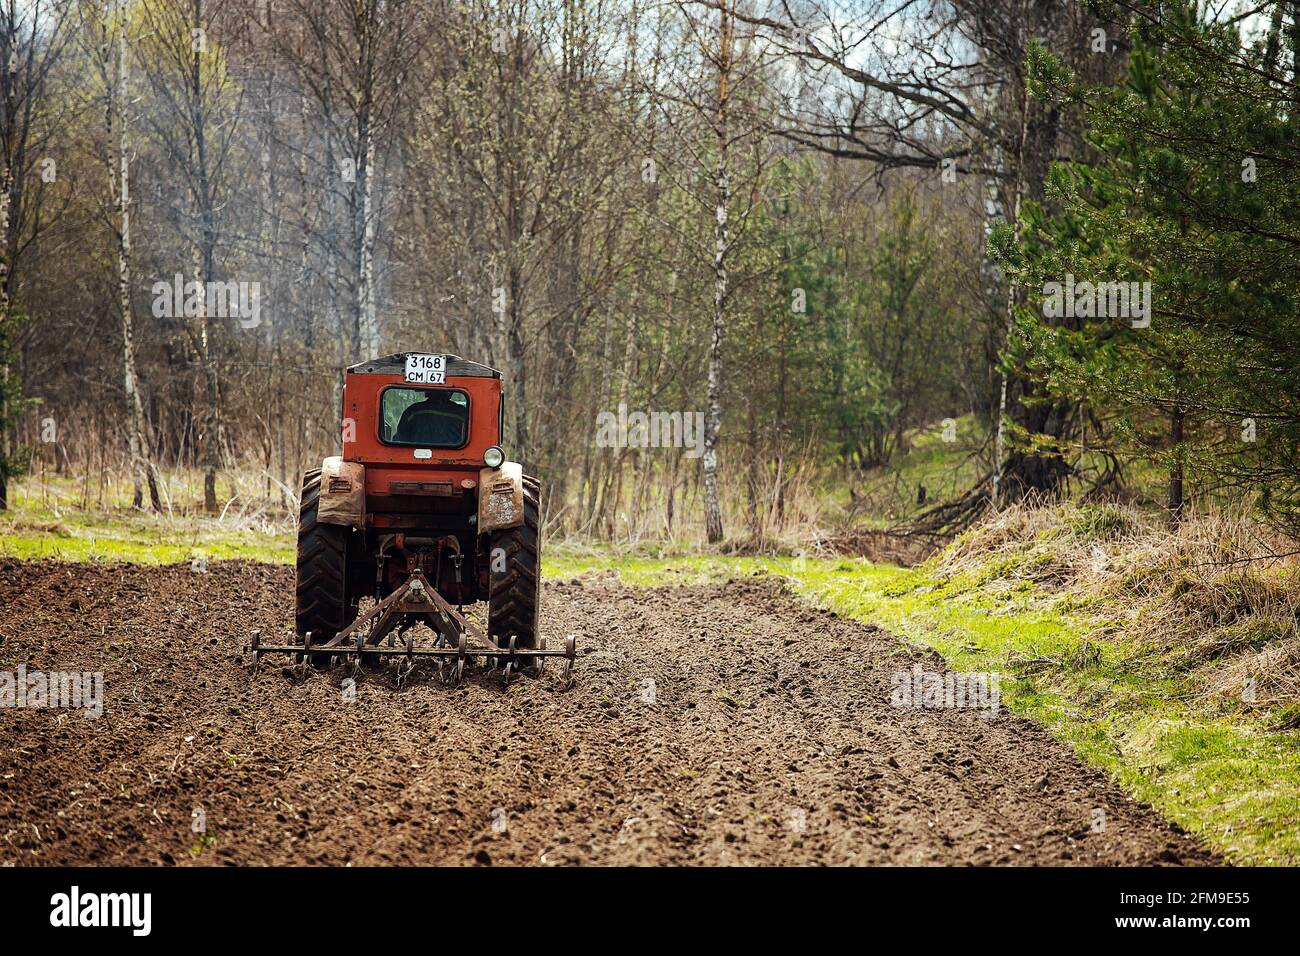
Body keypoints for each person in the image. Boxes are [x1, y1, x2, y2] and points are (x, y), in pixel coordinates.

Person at [392, 390, 465, 446]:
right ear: (450, 393)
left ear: (427, 393)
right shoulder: (462, 412)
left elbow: (400, 440)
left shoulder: (413, 410)